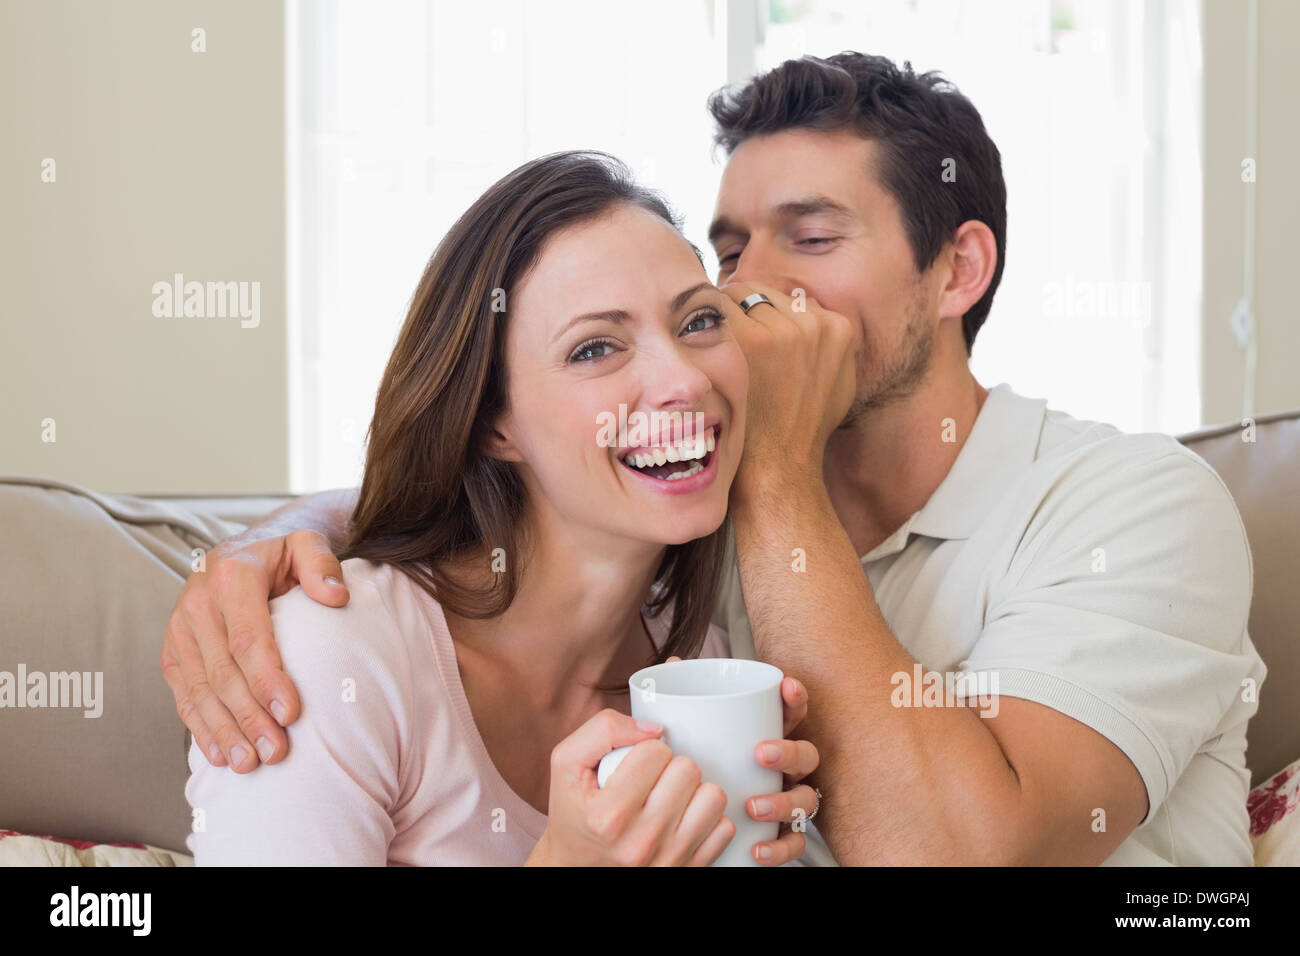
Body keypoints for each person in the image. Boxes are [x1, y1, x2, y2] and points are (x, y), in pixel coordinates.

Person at [168, 52, 1265, 866]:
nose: (753, 294)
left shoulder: (1129, 506)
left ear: (955, 270)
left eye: (813, 237)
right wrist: (269, 551)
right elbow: (501, 487)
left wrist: (779, 473)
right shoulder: (679, 542)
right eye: (730, 254)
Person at [182, 150, 823, 866]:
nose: (682, 379)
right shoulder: (330, 660)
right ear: (495, 423)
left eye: (700, 322)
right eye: (596, 348)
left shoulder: (702, 664)